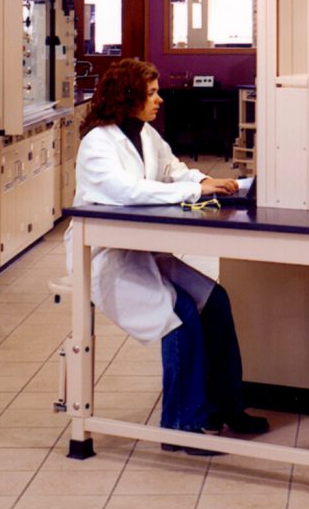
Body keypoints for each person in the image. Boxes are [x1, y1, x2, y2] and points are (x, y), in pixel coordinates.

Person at [72, 59, 268, 450]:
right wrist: (195, 192)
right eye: (152, 93)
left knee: (215, 300)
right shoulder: (98, 143)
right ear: (128, 97)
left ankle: (226, 407)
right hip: (108, 258)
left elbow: (173, 169)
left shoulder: (144, 134)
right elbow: (126, 191)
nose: (159, 99)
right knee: (180, 315)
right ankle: (180, 425)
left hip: (143, 250)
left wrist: (204, 180)